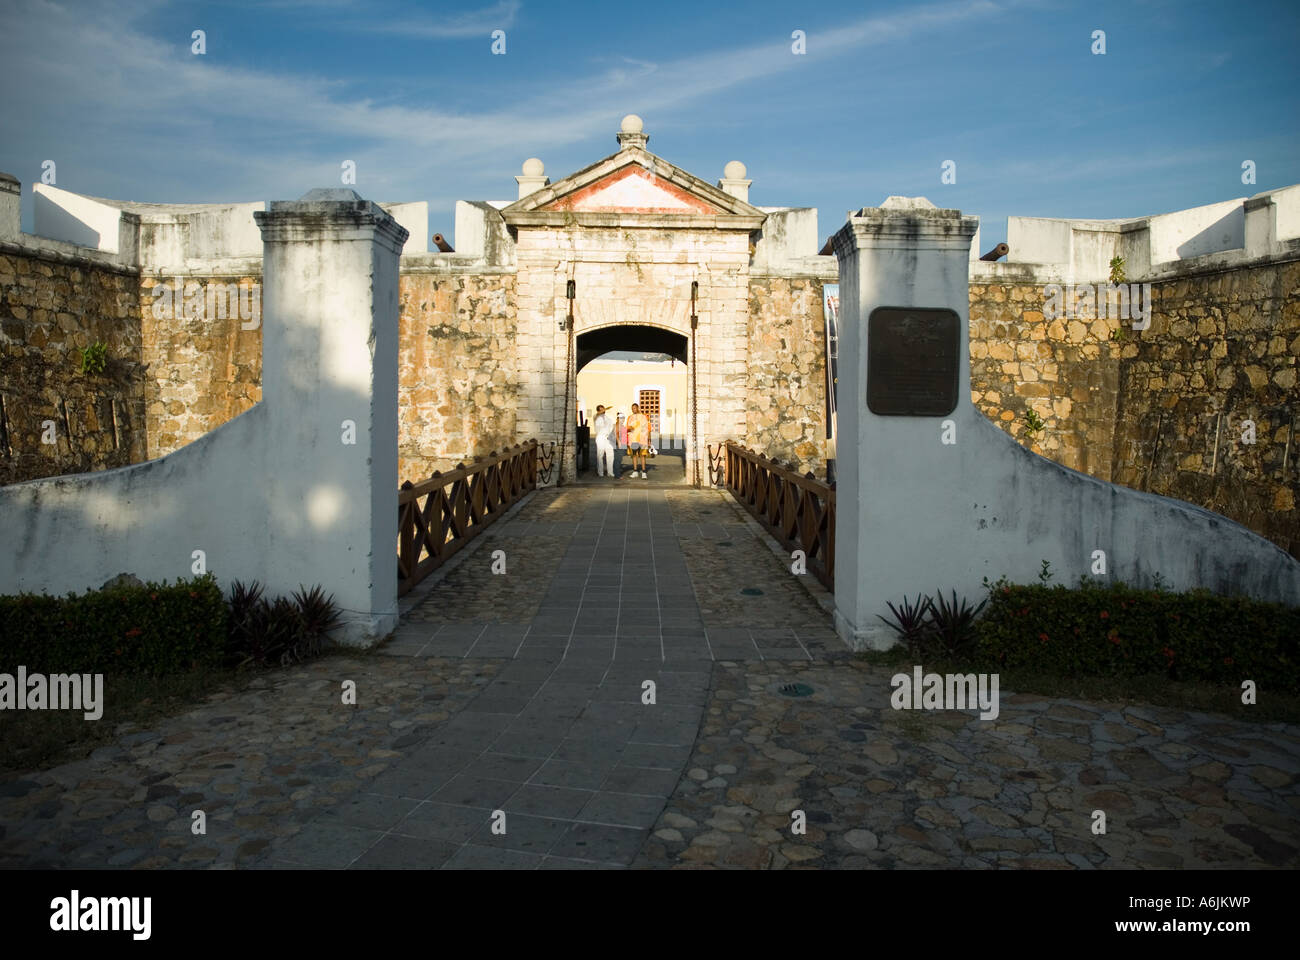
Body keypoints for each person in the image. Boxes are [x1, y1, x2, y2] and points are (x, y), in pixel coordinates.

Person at [625, 403, 650, 478]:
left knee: (642, 455)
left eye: (634, 408)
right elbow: (627, 427)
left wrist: (649, 439)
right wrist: (629, 428)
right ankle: (635, 471)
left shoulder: (644, 416)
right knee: (634, 455)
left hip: (642, 439)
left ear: (638, 408)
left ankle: (644, 472)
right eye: (632, 408)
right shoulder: (630, 417)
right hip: (633, 439)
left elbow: (648, 428)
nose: (633, 410)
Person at [592, 404, 616, 477]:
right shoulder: (596, 417)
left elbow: (613, 426)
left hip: (608, 437)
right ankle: (600, 472)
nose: (603, 410)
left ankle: (610, 472)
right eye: (601, 409)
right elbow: (595, 416)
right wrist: (600, 412)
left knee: (610, 454)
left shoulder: (608, 418)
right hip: (600, 437)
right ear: (598, 410)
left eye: (604, 409)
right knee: (600, 455)